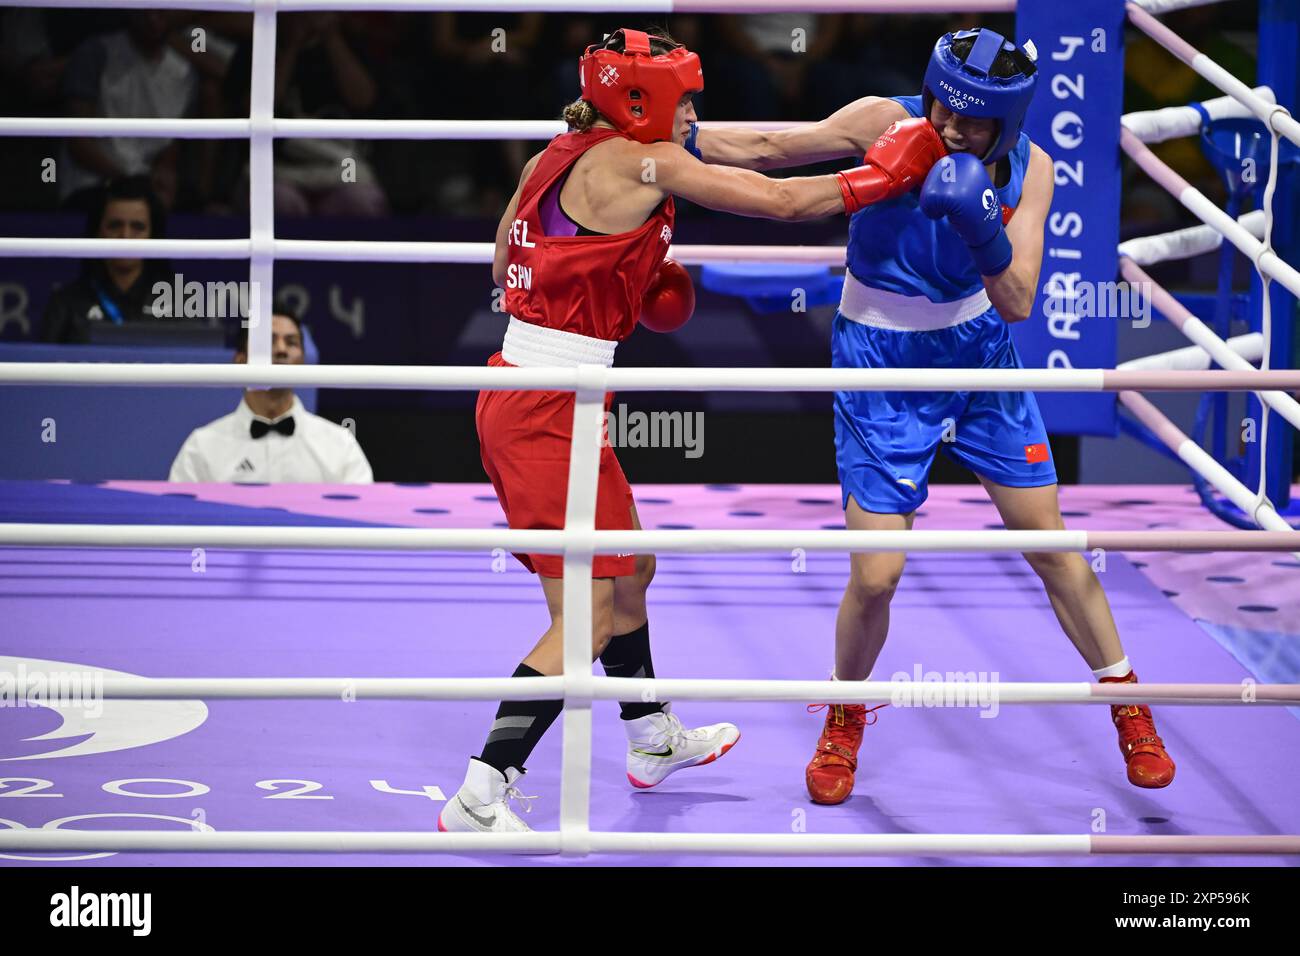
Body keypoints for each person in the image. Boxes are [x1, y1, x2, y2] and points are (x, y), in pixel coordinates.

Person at [439, 27, 938, 833]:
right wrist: (884, 177)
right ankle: (481, 792)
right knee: (587, 618)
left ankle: (650, 738)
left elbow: (506, 268)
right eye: (685, 99)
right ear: (642, 102)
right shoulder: (651, 160)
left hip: (536, 389)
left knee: (631, 568)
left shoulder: (552, 155)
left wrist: (616, 274)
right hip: (547, 411)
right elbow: (780, 201)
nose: (695, 111)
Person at [694, 27, 1177, 803]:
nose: (951, 128)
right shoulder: (881, 120)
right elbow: (766, 148)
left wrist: (979, 219)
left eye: (973, 121)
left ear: (1007, 125)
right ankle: (845, 714)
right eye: (944, 108)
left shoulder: (1033, 170)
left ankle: (1129, 705)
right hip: (879, 363)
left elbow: (1017, 299)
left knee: (1050, 546)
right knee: (878, 576)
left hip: (979, 355)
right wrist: (658, 136)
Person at [168, 302, 373, 483]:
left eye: (292, 342)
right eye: (268, 341)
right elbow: (178, 519)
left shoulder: (339, 445)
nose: (282, 349)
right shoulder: (202, 448)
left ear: (302, 361)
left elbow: (362, 518)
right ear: (240, 361)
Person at [40, 176, 173, 344]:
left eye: (137, 227)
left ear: (153, 236)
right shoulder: (66, 303)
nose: (125, 237)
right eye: (115, 225)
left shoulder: (179, 304)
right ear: (97, 232)